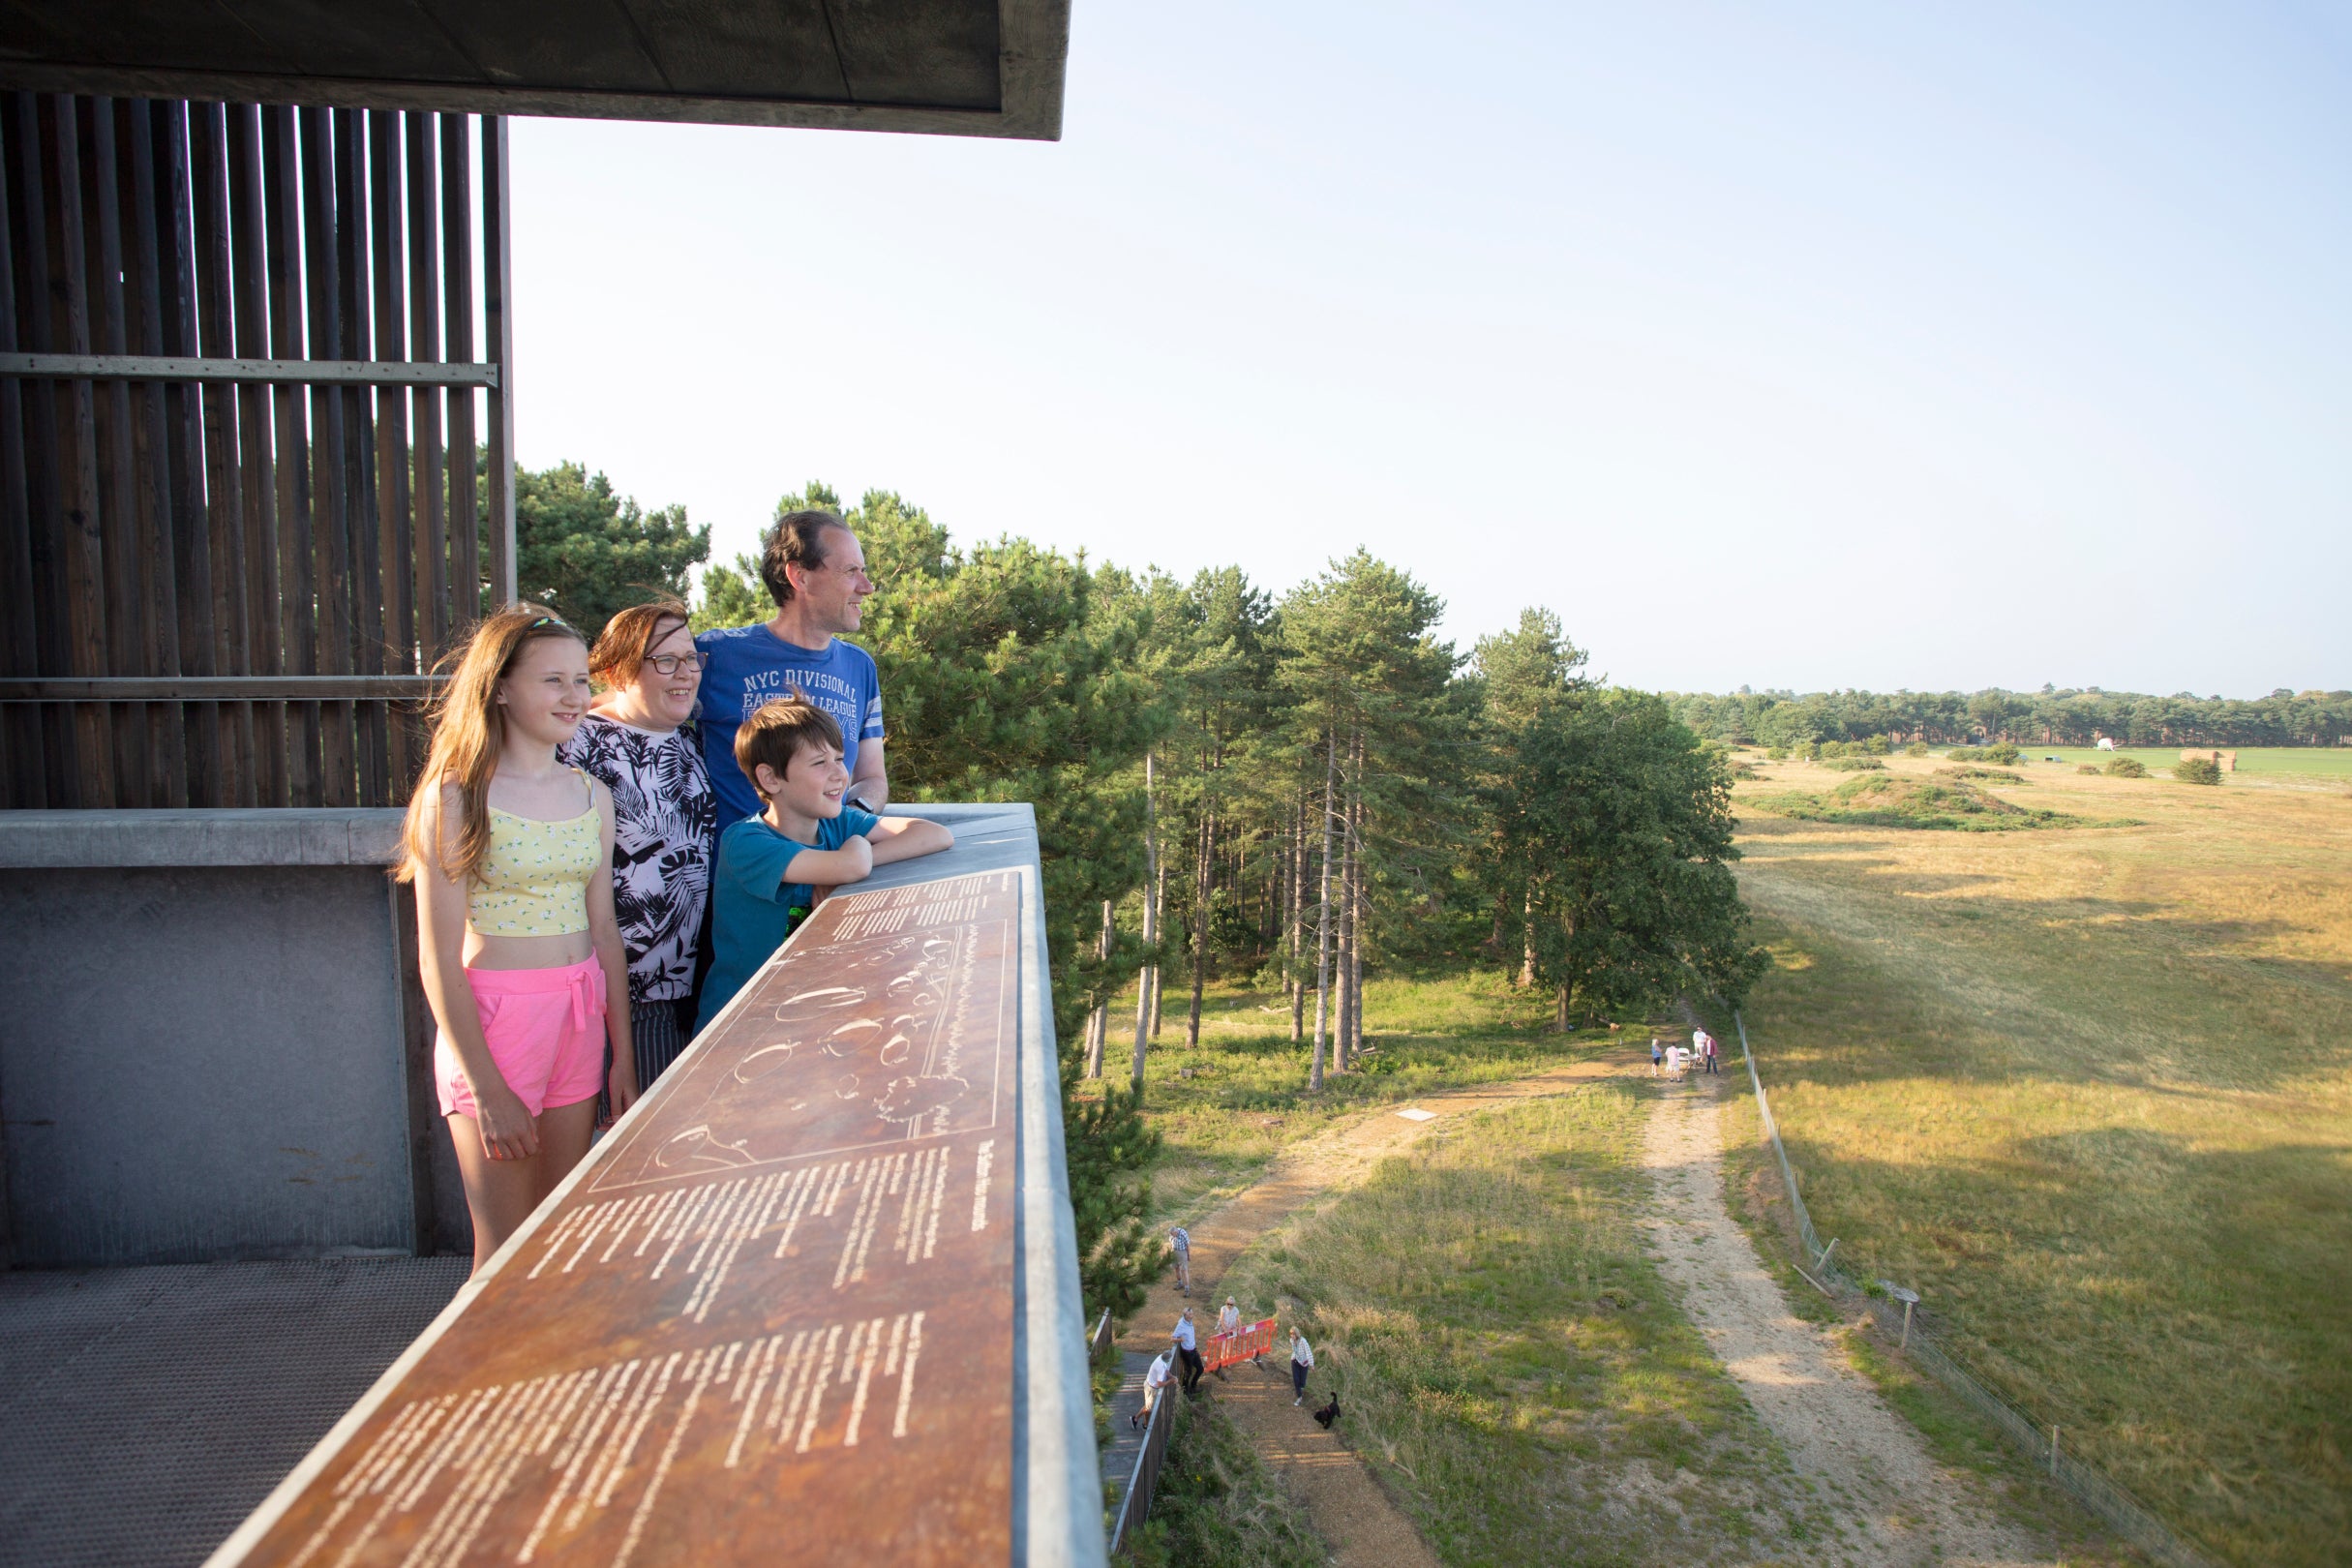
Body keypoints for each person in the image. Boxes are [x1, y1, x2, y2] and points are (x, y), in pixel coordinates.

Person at [397, 608, 638, 1272]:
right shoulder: (455, 798)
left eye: (582, 680)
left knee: (554, 1239)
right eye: (552, 680)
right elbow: (436, 958)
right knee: (503, 1253)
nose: (574, 696)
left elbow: (604, 930)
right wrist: (487, 1089)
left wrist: (621, 1056)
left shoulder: (592, 794)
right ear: (500, 688)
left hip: (579, 1020)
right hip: (498, 1029)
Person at [694, 694, 951, 1033]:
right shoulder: (745, 843)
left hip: (808, 1014)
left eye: (839, 759)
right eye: (819, 763)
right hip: (740, 1025)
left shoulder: (837, 823)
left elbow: (934, 834)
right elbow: (852, 867)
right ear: (771, 778)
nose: (839, 774)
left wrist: (856, 855)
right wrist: (853, 852)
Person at [561, 601, 714, 1093]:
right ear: (617, 672)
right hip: (608, 998)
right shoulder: (575, 744)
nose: (685, 673)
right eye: (665, 660)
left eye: (691, 658)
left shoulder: (693, 744)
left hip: (689, 992)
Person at [697, 510, 889, 833]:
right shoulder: (715, 656)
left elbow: (872, 777)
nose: (867, 587)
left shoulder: (860, 667)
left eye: (863, 571)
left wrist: (848, 821)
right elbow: (624, 708)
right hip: (745, 861)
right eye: (850, 571)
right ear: (799, 576)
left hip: (830, 862)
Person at [1133, 1349, 1172, 1429]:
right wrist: (1170, 1381)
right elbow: (1160, 1384)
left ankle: (1139, 1420)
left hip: (1148, 1384)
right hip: (1152, 1389)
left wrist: (1171, 1376)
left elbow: (1166, 1370)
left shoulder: (1160, 1357)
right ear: (1167, 1359)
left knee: (1148, 1406)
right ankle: (1143, 1423)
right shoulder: (1160, 1368)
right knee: (1148, 1409)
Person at [1174, 1310, 1204, 1393]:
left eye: (1192, 1314)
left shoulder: (1189, 1322)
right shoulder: (1181, 1325)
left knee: (1200, 1369)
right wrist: (1180, 1339)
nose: (1192, 1316)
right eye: (1190, 1314)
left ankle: (1193, 1386)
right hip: (1187, 1352)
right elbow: (1172, 1338)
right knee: (1188, 1372)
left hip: (1193, 1350)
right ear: (1185, 1316)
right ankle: (1185, 1390)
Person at [1213, 1296, 1242, 1379]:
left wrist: (1239, 1329)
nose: (1229, 1305)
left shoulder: (1236, 1310)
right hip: (1224, 1329)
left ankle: (1228, 1360)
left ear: (1234, 1304)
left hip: (1232, 1329)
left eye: (1231, 1304)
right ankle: (1223, 1360)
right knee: (1223, 1346)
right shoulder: (1223, 1308)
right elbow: (1221, 1319)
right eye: (1228, 1304)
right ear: (1226, 1303)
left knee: (1230, 1346)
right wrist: (1225, 1329)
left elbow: (1239, 1320)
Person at [1289, 1326, 1314, 1406]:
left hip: (1304, 1363)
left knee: (1302, 1382)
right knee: (1296, 1379)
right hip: (1295, 1361)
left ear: (1297, 1334)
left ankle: (1300, 1390)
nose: (1292, 1336)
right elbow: (1294, 1350)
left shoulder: (1303, 1341)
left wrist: (1311, 1364)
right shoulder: (1291, 1341)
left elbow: (1308, 1352)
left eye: (1293, 1334)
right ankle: (1299, 1397)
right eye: (1291, 1334)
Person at [1169, 1223, 1191, 1294]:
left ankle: (1187, 1289)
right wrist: (1171, 1251)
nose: (1172, 1235)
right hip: (1174, 1251)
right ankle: (1180, 1283)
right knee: (1176, 1268)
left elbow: (1188, 1244)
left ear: (1176, 1232)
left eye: (1173, 1234)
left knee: (1184, 1270)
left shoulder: (1183, 1233)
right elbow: (1171, 1243)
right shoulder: (1172, 1234)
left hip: (1182, 1252)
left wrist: (1188, 1255)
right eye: (1171, 1234)